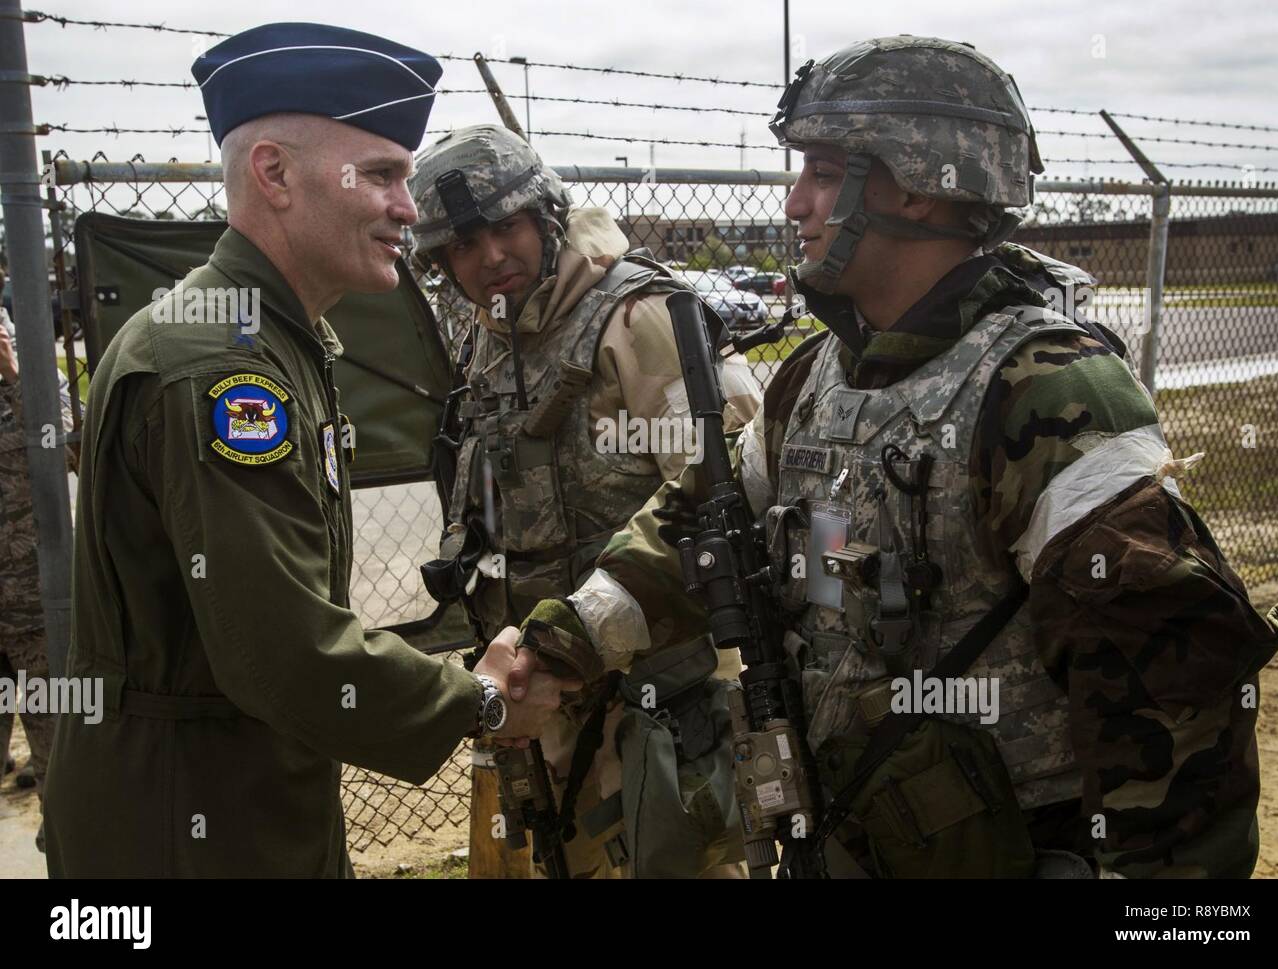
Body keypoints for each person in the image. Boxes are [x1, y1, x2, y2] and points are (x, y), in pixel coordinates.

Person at [508, 36, 1278, 878]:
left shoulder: (1047, 388)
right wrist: (559, 643)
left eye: (826, 172)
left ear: (918, 188)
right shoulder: (813, 375)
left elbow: (1172, 690)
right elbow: (700, 521)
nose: (796, 201)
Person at [42, 24, 573, 879]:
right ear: (275, 175)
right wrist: (475, 698)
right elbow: (281, 649)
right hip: (187, 827)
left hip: (237, 801)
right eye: (383, 174)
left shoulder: (274, 339)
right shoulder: (221, 366)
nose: (409, 207)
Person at [411, 125, 762, 877]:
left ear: (544, 217)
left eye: (505, 227)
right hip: (545, 697)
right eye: (465, 246)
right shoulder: (493, 336)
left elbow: (725, 490)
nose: (490, 258)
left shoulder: (640, 317)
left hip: (658, 698)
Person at [0, 277, 76, 850]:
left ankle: (69, 866)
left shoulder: (32, 379)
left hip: (33, 611)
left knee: (61, 764)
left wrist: (12, 373)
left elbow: (70, 444)